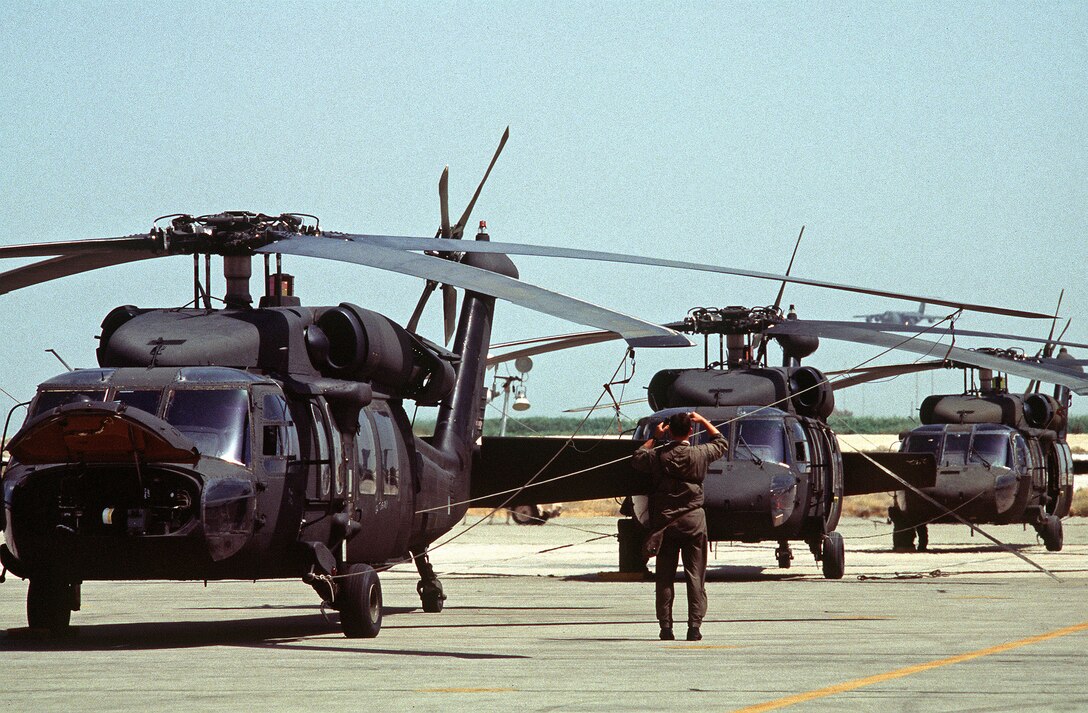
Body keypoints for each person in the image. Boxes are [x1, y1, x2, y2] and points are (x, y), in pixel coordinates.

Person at [631, 411, 729, 641]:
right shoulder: (700, 453)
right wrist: (703, 420)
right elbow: (721, 442)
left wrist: (655, 437)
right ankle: (694, 627)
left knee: (664, 577)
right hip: (694, 522)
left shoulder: (658, 455)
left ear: (669, 431)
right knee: (695, 576)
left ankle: (666, 627)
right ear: (691, 431)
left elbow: (638, 457)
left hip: (665, 523)